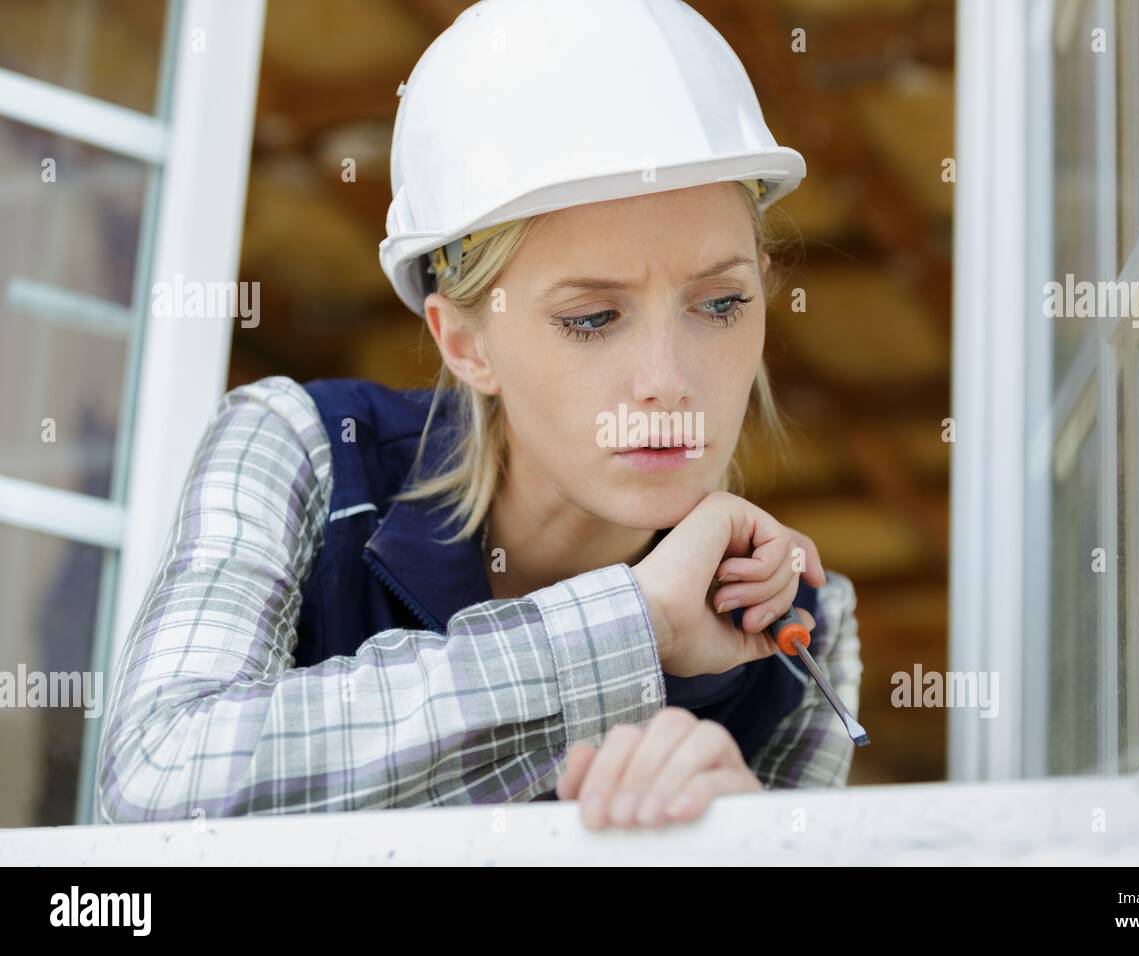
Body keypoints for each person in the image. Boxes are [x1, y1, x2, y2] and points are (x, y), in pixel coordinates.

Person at [96, 0, 863, 831]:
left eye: (719, 303)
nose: (667, 383)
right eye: (592, 318)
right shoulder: (304, 450)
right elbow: (160, 776)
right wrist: (632, 625)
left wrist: (745, 846)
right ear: (464, 341)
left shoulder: (807, 630)